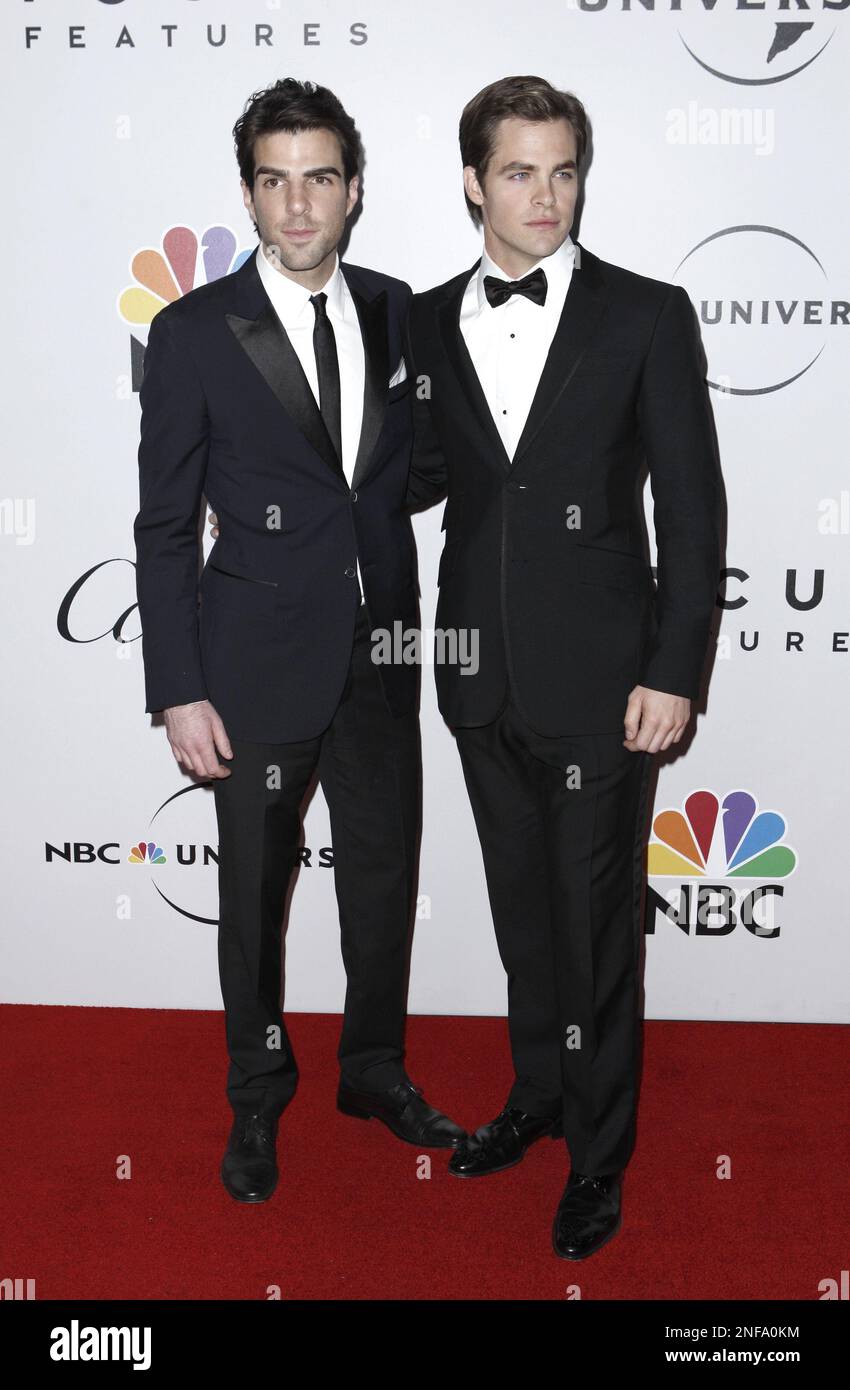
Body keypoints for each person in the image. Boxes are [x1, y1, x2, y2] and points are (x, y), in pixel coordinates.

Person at [405, 75, 722, 1259]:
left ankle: (597, 1157)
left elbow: (693, 509)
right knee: (523, 923)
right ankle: (538, 1094)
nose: (545, 196)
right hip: (477, 673)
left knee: (593, 931)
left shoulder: (646, 312)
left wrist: (674, 668)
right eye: (520, 171)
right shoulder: (429, 320)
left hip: (602, 681)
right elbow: (426, 476)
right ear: (474, 182)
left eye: (565, 170)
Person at [133, 78, 465, 1207]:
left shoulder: (396, 308)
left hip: (378, 653)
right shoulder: (189, 332)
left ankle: (371, 1069)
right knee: (255, 899)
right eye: (273, 181)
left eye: (318, 177)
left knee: (380, 879)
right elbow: (166, 522)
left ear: (353, 189)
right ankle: (256, 1094)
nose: (296, 206)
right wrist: (177, 687)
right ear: (248, 192)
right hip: (254, 664)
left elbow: (410, 468)